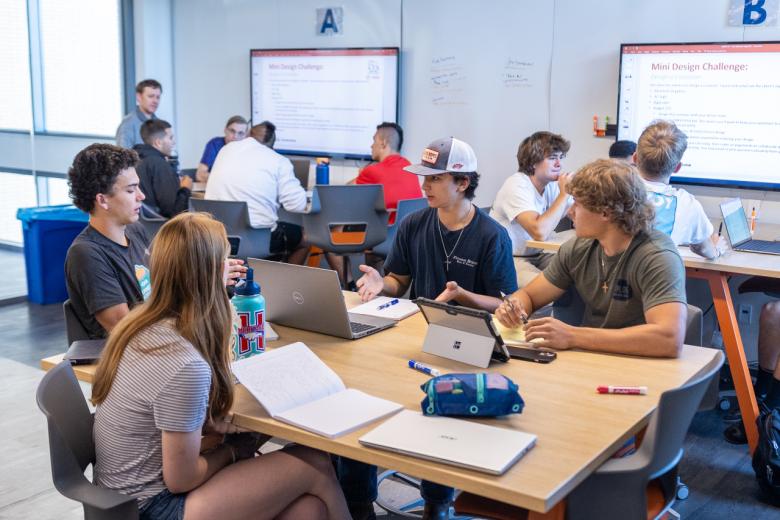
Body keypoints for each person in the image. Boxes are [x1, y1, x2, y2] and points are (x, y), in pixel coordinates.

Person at [90, 212, 350, 520]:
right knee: (316, 463)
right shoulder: (185, 364)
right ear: (210, 274)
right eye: (225, 260)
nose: (231, 269)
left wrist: (215, 434)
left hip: (120, 497)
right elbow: (180, 480)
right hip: (152, 506)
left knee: (310, 510)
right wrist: (232, 450)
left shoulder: (140, 326)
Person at [342, 137, 517, 520]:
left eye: (434, 179)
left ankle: (438, 502)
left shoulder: (491, 235)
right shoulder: (413, 223)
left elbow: (509, 306)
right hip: (413, 335)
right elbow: (398, 281)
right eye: (424, 178)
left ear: (463, 183)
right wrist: (378, 284)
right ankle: (357, 501)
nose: (424, 187)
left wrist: (463, 296)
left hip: (468, 344)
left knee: (443, 411)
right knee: (361, 393)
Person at [495, 158, 687, 359]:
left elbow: (669, 340)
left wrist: (573, 336)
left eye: (577, 204)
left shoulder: (656, 256)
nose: (570, 212)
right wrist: (513, 308)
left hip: (640, 362)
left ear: (606, 212)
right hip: (594, 356)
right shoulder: (579, 247)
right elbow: (530, 296)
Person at [65, 144, 244, 340]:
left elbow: (161, 295)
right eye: (131, 190)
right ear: (102, 200)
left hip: (161, 340)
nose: (141, 196)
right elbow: (127, 331)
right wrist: (206, 291)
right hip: (133, 358)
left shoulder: (135, 231)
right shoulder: (86, 254)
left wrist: (206, 279)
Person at [206, 121, 310, 264]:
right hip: (257, 241)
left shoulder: (225, 150)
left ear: (249, 134)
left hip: (216, 237)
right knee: (306, 237)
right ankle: (286, 284)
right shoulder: (278, 161)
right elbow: (296, 205)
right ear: (272, 145)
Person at [490, 131, 572, 287]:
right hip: (511, 259)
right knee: (545, 290)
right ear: (533, 162)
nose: (559, 164)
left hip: (539, 254)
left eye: (561, 158)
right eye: (553, 158)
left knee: (578, 271)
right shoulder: (517, 185)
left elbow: (578, 213)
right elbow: (539, 232)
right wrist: (564, 195)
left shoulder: (552, 185)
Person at [634, 120, 720, 260]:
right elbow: (705, 249)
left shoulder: (614, 190)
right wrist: (716, 249)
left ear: (635, 158)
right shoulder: (687, 204)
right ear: (677, 168)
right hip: (657, 278)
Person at [350, 122, 422, 224]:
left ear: (383, 143)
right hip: (412, 233)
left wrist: (359, 176)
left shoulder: (372, 171)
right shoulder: (410, 168)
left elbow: (345, 194)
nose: (371, 146)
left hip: (383, 235)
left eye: (374, 141)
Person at [135, 119, 192, 218]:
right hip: (161, 228)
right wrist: (186, 188)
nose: (173, 142)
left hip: (141, 225)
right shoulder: (158, 164)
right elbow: (176, 214)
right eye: (170, 138)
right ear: (158, 143)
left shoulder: (135, 159)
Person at [195, 115, 249, 183]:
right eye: (232, 131)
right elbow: (200, 175)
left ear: (246, 136)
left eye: (240, 133)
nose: (235, 136)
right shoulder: (214, 144)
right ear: (225, 130)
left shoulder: (248, 149)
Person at [116, 79, 162, 149]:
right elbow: (124, 157)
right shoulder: (128, 124)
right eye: (151, 96)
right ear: (139, 97)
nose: (155, 101)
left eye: (158, 97)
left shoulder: (160, 125)